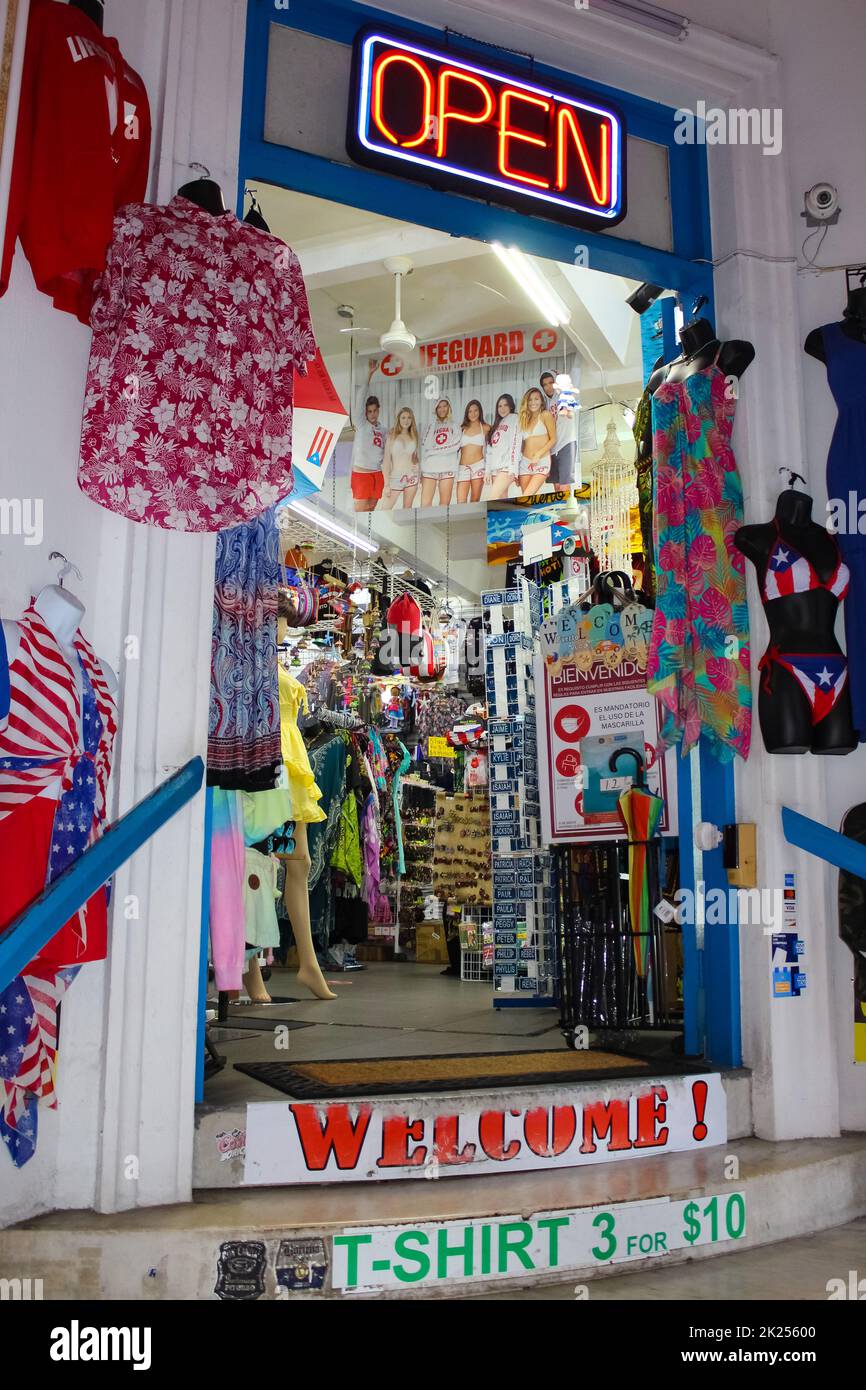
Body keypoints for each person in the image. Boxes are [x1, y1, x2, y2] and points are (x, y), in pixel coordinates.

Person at [351, 361, 386, 512]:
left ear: (378, 411)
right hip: (361, 473)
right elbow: (359, 400)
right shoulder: (361, 424)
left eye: (374, 411)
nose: (372, 414)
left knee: (371, 510)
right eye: (369, 411)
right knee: (360, 512)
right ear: (366, 412)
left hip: (377, 473)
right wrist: (369, 375)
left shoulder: (383, 430)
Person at [541, 369, 580, 486]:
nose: (548, 387)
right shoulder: (544, 404)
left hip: (567, 443)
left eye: (550, 383)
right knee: (556, 486)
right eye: (545, 385)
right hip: (552, 448)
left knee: (564, 484)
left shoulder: (564, 395)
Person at [420, 398, 462, 507]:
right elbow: (425, 447)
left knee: (444, 504)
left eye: (445, 406)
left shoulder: (455, 425)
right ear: (435, 409)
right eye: (439, 406)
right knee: (425, 504)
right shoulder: (430, 426)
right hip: (430, 468)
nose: (442, 409)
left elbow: (456, 446)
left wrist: (434, 452)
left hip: (447, 467)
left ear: (449, 407)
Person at [518, 387, 556, 495]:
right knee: (525, 498)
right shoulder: (524, 419)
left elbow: (553, 439)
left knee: (527, 494)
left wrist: (538, 454)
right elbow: (522, 445)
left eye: (536, 399)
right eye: (530, 400)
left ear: (541, 401)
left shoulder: (545, 415)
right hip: (525, 463)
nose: (533, 402)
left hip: (541, 460)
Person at [381, 406, 420, 510]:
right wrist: (386, 484)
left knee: (407, 508)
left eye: (409, 418)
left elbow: (415, 457)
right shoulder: (392, 436)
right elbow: (386, 461)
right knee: (385, 508)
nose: (406, 421)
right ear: (398, 419)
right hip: (395, 477)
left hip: (411, 477)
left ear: (412, 420)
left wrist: (418, 466)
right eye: (403, 417)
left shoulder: (414, 436)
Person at [485, 393, 521, 500]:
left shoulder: (515, 418)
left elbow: (516, 443)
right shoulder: (497, 424)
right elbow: (490, 450)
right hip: (495, 469)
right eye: (500, 406)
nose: (502, 408)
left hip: (507, 467)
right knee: (502, 500)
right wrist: (488, 471)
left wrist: (513, 468)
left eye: (505, 405)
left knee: (492, 498)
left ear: (511, 406)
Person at [456, 399, 490, 503]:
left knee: (475, 500)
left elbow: (493, 448)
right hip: (463, 468)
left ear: (480, 411)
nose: (473, 413)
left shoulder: (486, 428)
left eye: (476, 410)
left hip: (478, 467)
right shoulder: (461, 429)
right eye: (470, 411)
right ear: (467, 413)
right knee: (461, 502)